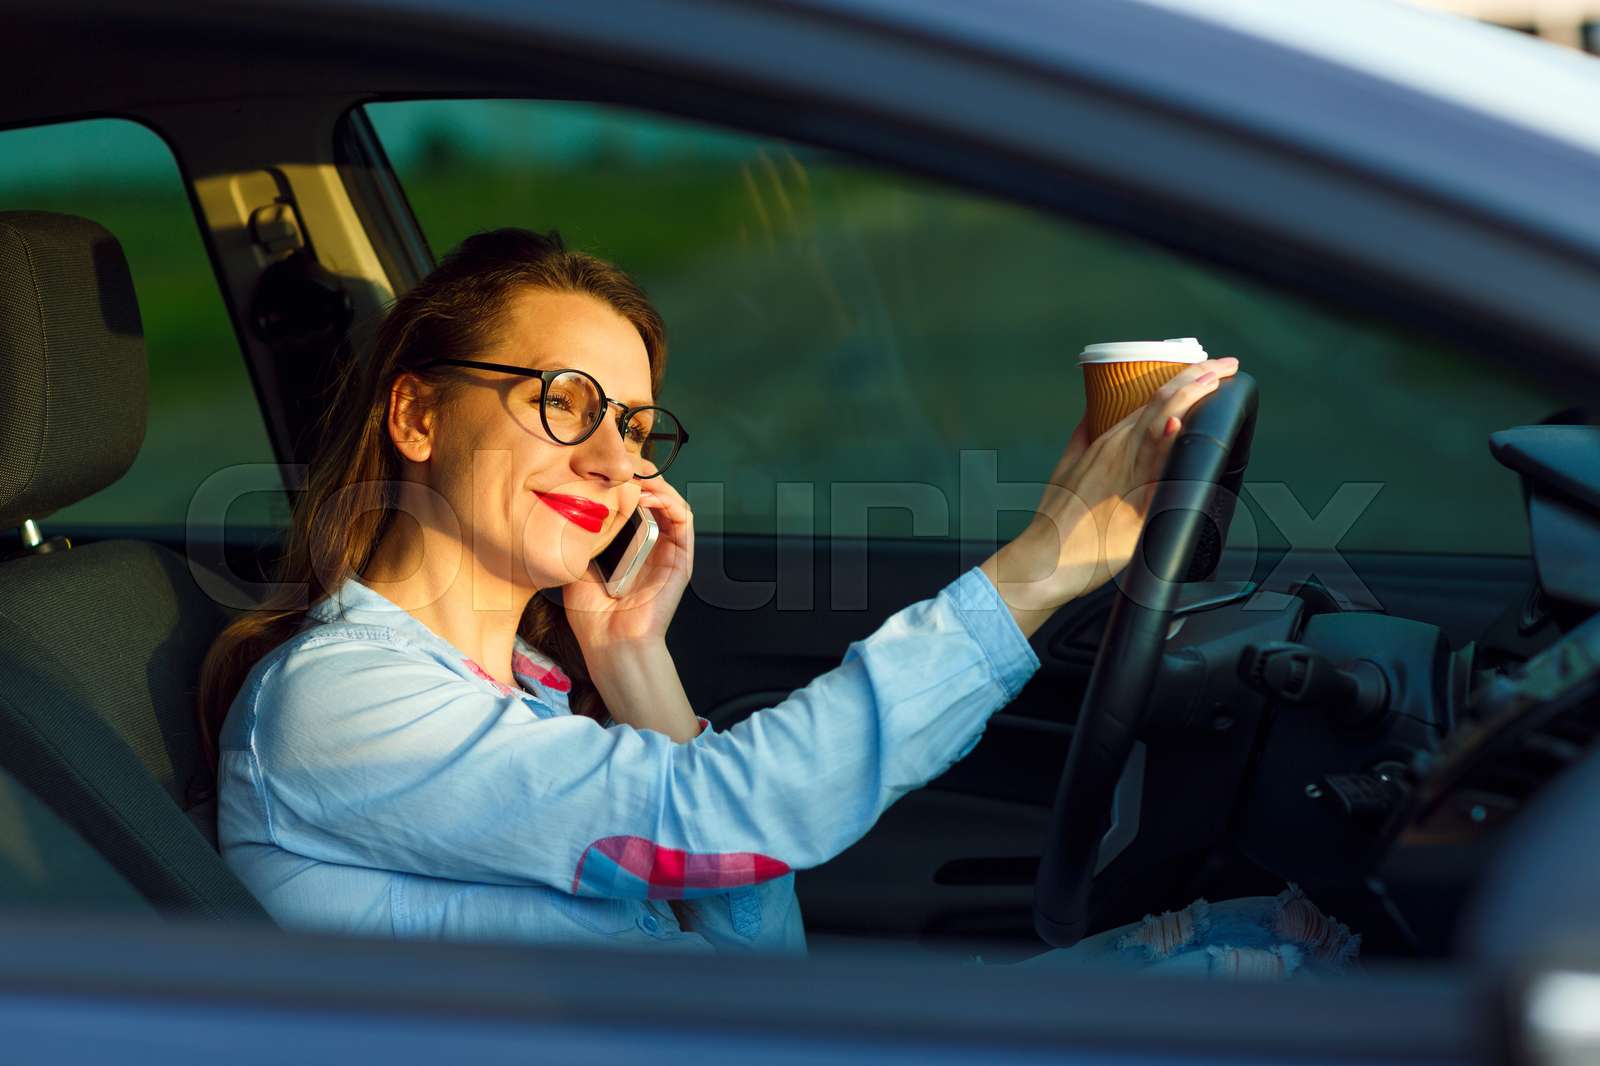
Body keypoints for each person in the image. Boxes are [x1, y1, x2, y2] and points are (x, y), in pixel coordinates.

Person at [201, 227, 1347, 971]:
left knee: (1270, 960)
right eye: (565, 401)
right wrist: (1039, 566)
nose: (611, 459)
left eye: (633, 425)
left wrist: (634, 663)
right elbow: (731, 817)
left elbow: (758, 952)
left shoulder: (534, 694)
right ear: (416, 416)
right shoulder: (337, 700)